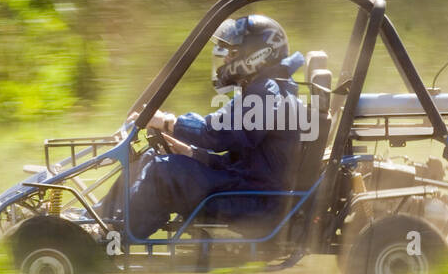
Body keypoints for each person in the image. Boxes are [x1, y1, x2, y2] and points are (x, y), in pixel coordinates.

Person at [103, 14, 305, 239]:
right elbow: (242, 159)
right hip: (249, 191)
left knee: (164, 172)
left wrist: (170, 122)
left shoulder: (268, 92)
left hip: (257, 202)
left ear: (259, 55)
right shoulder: (262, 89)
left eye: (233, 53)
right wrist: (191, 152)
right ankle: (98, 221)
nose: (227, 60)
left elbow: (219, 134)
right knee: (151, 157)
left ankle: (111, 236)